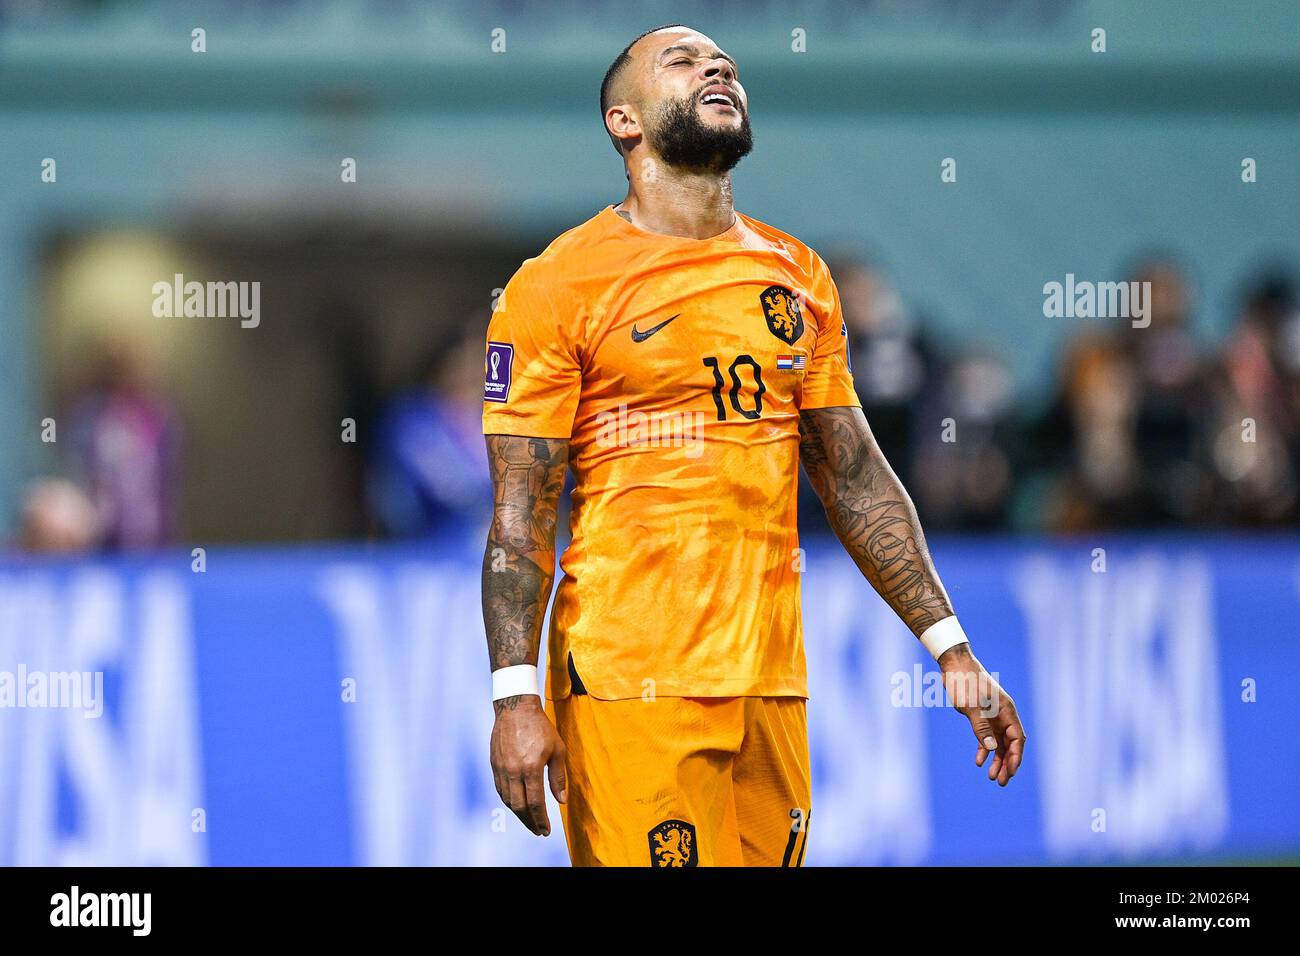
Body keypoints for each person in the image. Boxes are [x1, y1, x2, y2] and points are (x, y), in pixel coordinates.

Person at [480, 24, 1025, 867]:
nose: (718, 69)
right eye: (684, 62)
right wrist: (515, 695)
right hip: (632, 677)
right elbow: (521, 515)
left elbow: (853, 477)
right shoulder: (555, 285)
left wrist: (951, 649)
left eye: (725, 63)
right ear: (624, 121)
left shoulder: (795, 274)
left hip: (770, 675)